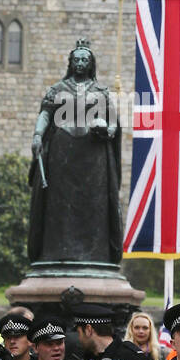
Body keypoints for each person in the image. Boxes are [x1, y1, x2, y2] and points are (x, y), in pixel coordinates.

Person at [27, 40, 123, 266]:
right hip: (62, 153)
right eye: (76, 60)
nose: (80, 63)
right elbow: (46, 114)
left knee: (94, 204)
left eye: (84, 60)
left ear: (91, 64)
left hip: (93, 157)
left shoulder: (101, 91)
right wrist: (38, 135)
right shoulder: (57, 89)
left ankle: (95, 255)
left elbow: (113, 122)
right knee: (59, 204)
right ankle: (56, 253)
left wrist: (107, 131)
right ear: (70, 63)